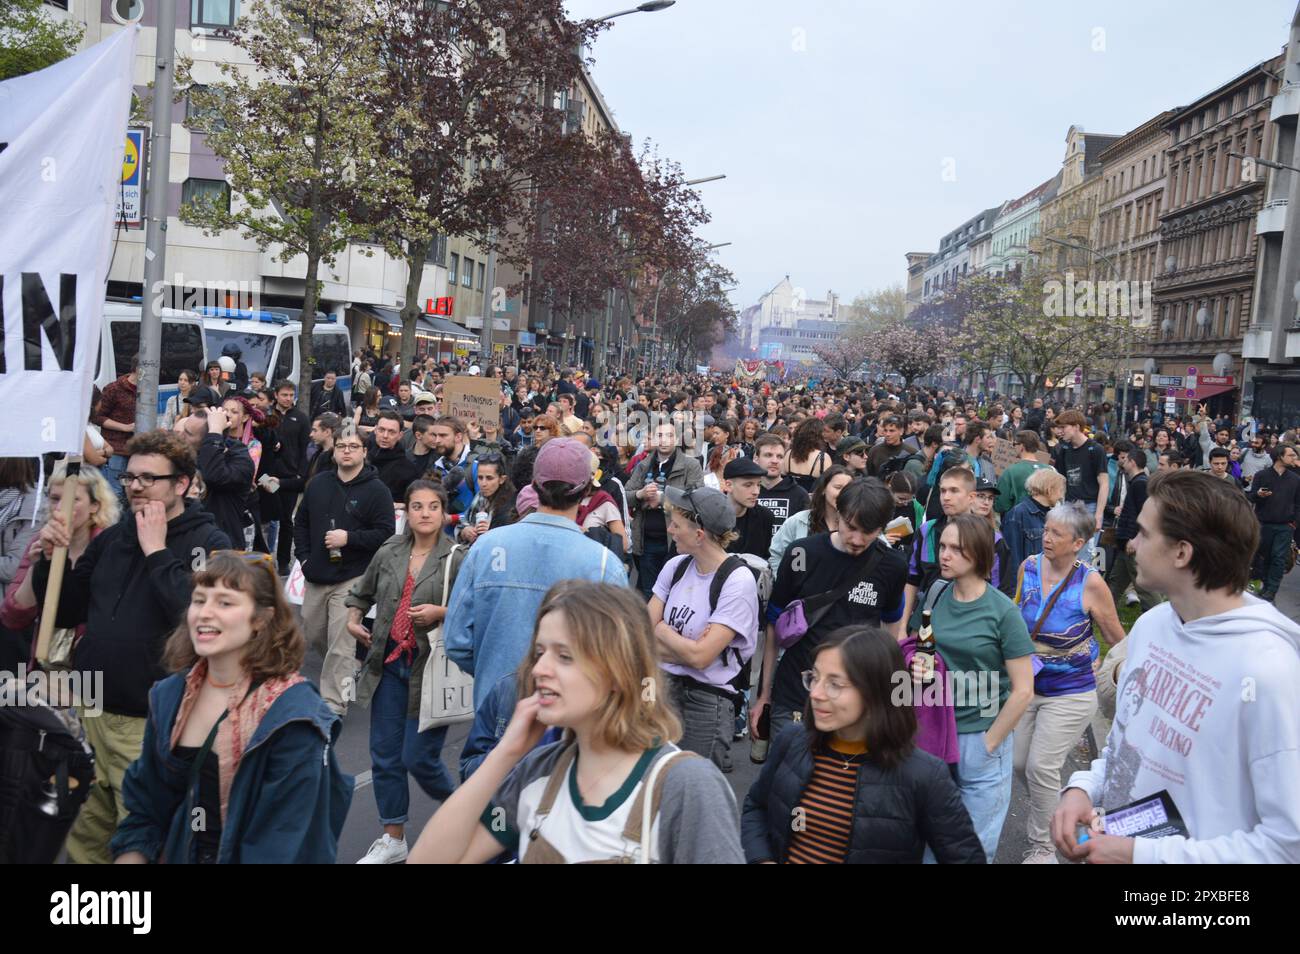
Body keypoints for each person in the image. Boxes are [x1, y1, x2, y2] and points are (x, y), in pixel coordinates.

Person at [1052, 470, 1300, 864]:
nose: (1131, 545)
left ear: (1182, 553)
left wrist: (1142, 854)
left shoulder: (1269, 670)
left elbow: (1286, 844)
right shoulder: (1152, 625)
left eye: (1145, 534)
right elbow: (1124, 743)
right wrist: (1084, 788)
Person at [410, 581, 743, 863]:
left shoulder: (685, 785)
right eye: (540, 653)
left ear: (619, 673)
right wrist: (505, 754)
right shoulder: (537, 770)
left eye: (565, 656)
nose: (539, 669)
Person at [28, 430, 230, 864]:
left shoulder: (209, 543)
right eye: (130, 477)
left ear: (181, 484)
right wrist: (49, 561)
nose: (135, 486)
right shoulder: (112, 539)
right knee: (85, 836)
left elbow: (199, 621)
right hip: (89, 713)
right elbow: (65, 612)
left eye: (148, 478)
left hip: (148, 721)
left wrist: (157, 551)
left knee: (141, 838)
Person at [111, 551, 351, 863]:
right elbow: (147, 810)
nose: (205, 613)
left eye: (224, 602)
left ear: (260, 620)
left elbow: (279, 847)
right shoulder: (169, 697)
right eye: (199, 600)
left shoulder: (294, 717)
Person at [742, 626, 985, 864]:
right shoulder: (792, 741)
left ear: (875, 692)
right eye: (814, 678)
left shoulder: (925, 776)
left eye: (835, 684)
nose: (815, 693)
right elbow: (756, 807)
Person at [445, 438, 629, 711]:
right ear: (587, 489)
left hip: (494, 709)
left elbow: (457, 640)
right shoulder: (603, 564)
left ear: (534, 485)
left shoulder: (486, 547)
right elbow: (617, 657)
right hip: (567, 719)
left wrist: (495, 673)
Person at [345, 482, 465, 864]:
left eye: (433, 506)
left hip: (430, 671)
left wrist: (439, 613)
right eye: (417, 506)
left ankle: (464, 814)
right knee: (384, 755)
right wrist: (352, 619)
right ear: (407, 512)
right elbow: (362, 593)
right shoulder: (389, 551)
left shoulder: (458, 558)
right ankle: (393, 836)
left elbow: (475, 608)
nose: (425, 513)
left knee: (418, 758)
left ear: (444, 513)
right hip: (387, 664)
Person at [909, 514, 1034, 861]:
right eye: (943, 547)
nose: (944, 555)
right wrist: (919, 668)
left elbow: (1024, 689)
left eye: (955, 549)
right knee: (928, 845)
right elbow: (922, 650)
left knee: (970, 850)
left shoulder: (1003, 612)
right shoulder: (934, 594)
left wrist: (989, 743)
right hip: (933, 736)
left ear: (978, 555)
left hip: (980, 738)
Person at [1012, 502, 1126, 864]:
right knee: (1016, 762)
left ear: (1078, 543)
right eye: (1046, 530)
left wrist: (1116, 674)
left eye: (1055, 534)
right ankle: (1065, 812)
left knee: (1040, 766)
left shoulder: (1090, 582)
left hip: (1073, 690)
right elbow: (1016, 618)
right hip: (1029, 685)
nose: (1046, 537)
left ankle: (1045, 846)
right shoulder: (1028, 566)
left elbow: (1118, 640)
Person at [755, 479, 908, 740]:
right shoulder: (801, 554)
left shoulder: (893, 565)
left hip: (855, 700)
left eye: (869, 532)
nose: (858, 540)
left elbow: (891, 631)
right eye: (851, 527)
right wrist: (764, 696)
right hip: (795, 693)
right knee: (788, 776)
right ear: (838, 515)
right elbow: (774, 626)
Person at [648, 486, 759, 772]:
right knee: (650, 785)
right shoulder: (676, 566)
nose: (670, 530)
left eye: (676, 524)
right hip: (661, 691)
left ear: (699, 535)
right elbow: (642, 636)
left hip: (706, 702)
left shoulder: (737, 580)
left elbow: (701, 658)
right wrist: (686, 646)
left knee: (692, 792)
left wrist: (661, 631)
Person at [293, 423, 395, 716]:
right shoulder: (319, 483)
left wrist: (349, 538)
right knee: (314, 634)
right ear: (334, 451)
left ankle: (333, 705)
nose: (346, 451)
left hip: (353, 578)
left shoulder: (377, 491)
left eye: (353, 447)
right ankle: (349, 669)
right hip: (317, 574)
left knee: (341, 641)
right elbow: (301, 523)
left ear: (364, 452)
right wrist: (304, 558)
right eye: (341, 446)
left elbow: (386, 533)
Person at [2, 462, 118, 672]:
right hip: (42, 667)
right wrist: (35, 568)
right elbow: (13, 617)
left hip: (90, 672)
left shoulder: (109, 547)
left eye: (73, 500)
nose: (60, 508)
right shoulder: (41, 539)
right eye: (55, 499)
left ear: (95, 505)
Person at [626, 419, 705, 600]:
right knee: (649, 591)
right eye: (659, 435)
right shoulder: (643, 464)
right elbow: (625, 494)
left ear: (677, 439)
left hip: (677, 540)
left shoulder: (690, 465)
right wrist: (641, 494)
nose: (664, 440)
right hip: (647, 539)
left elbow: (696, 499)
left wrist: (663, 499)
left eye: (669, 435)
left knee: (675, 590)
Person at [768, 466, 855, 578]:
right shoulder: (798, 521)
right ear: (824, 489)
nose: (843, 493)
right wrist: (783, 582)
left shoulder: (859, 525)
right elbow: (776, 554)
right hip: (802, 593)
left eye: (848, 489)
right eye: (838, 487)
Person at [1051, 410, 1109, 565]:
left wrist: (1098, 515)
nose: (1060, 431)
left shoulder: (1095, 450)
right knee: (1067, 553)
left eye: (1064, 427)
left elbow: (1104, 483)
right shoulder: (1063, 449)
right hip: (1069, 505)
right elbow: (1062, 479)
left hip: (1089, 507)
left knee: (1086, 558)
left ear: (1076, 426)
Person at [1246, 443, 1300, 602]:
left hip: (1285, 525)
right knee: (1264, 556)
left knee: (1278, 557)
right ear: (1279, 456)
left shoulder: (1296, 479)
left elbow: (1298, 504)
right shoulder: (1262, 475)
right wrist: (1259, 494)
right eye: (1291, 455)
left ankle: (1272, 589)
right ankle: (1264, 585)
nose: (1294, 458)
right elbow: (1251, 497)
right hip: (1264, 523)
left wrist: (1295, 523)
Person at [95, 357, 140, 503]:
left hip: (137, 450)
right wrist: (125, 427)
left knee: (133, 493)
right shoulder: (114, 388)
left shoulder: (147, 390)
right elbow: (98, 417)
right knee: (115, 494)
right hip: (117, 450)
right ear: (138, 369)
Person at [754, 432, 810, 533]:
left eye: (779, 456)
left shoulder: (799, 495)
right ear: (756, 459)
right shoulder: (747, 492)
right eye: (768, 455)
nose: (775, 461)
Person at [722, 457, 775, 561]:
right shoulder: (710, 517)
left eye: (759, 485)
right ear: (728, 485)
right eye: (748, 485)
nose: (756, 491)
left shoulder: (765, 517)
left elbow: (765, 557)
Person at [459, 454, 517, 546]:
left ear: (502, 479)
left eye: (489, 478)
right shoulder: (479, 497)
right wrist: (465, 531)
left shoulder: (511, 506)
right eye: (480, 477)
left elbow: (511, 540)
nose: (483, 483)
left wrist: (491, 532)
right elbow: (463, 522)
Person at [368, 410, 420, 503]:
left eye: (391, 432)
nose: (385, 436)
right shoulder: (361, 459)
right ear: (375, 430)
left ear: (400, 435)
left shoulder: (408, 470)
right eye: (381, 430)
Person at [995, 430, 1050, 515]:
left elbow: (1001, 505)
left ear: (1021, 446)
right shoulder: (1049, 470)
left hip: (1017, 522)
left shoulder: (1010, 471)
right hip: (1044, 522)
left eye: (1014, 444)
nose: (1013, 447)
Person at [784, 418, 832, 493]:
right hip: (811, 502)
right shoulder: (823, 458)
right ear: (819, 435)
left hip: (790, 501)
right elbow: (828, 487)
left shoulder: (788, 454)